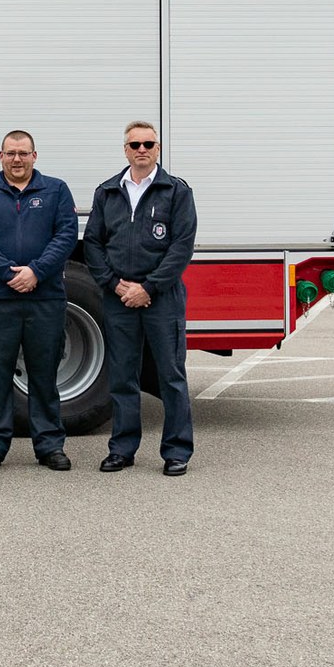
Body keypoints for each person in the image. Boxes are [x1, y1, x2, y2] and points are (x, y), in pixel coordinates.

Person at [84, 120, 197, 476]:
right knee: (122, 376)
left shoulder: (176, 191)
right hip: (119, 298)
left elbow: (181, 247)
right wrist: (115, 285)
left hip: (161, 298)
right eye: (135, 145)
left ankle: (177, 451)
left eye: (148, 143)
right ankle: (122, 449)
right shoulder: (107, 192)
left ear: (158, 149)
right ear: (125, 150)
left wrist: (148, 288)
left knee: (171, 376)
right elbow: (93, 243)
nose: (142, 150)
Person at [0, 130, 78, 472]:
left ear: (34, 156)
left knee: (44, 376)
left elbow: (66, 234)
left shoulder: (56, 190)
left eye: (23, 153)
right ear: (0, 156)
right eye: (11, 153)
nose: (17, 159)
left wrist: (36, 272)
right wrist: (8, 273)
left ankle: (49, 445)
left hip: (45, 299)